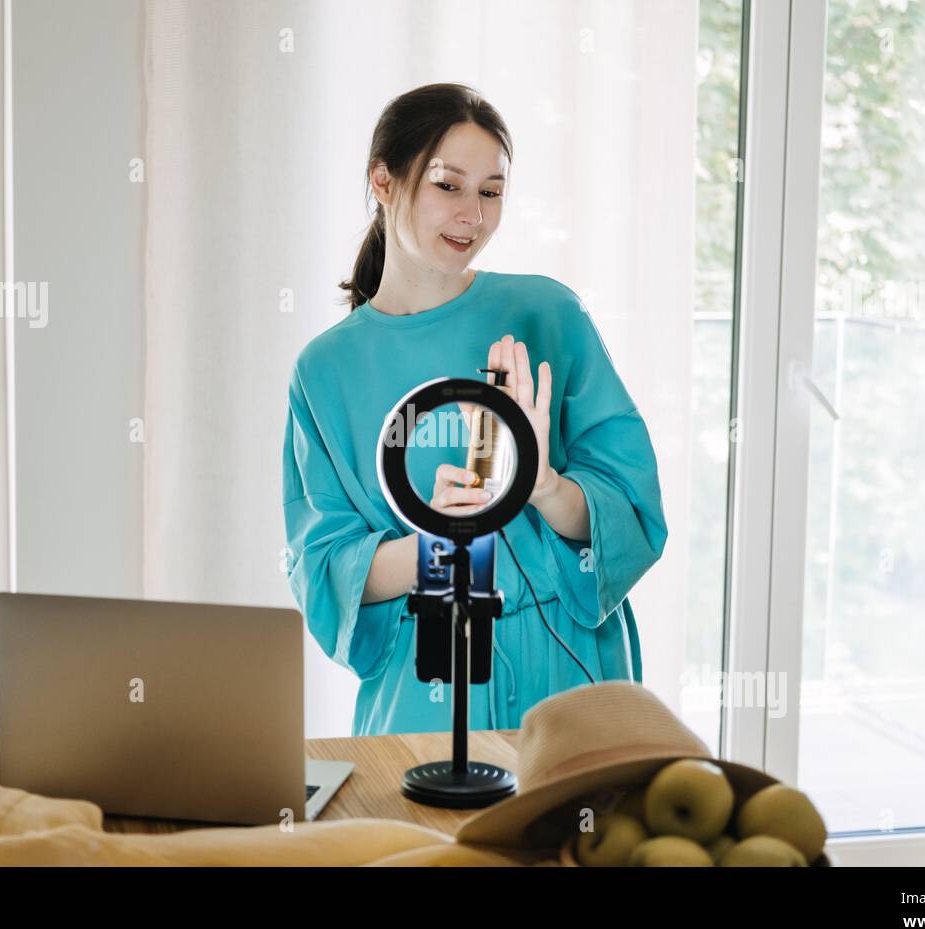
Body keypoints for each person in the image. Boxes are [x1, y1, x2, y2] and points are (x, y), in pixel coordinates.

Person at [282, 82, 667, 735]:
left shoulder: (547, 315)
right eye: (448, 185)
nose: (473, 214)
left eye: (491, 192)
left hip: (571, 676)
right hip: (424, 681)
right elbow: (322, 569)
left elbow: (630, 512)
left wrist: (542, 486)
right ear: (382, 180)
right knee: (427, 840)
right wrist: (437, 541)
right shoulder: (326, 371)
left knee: (580, 836)